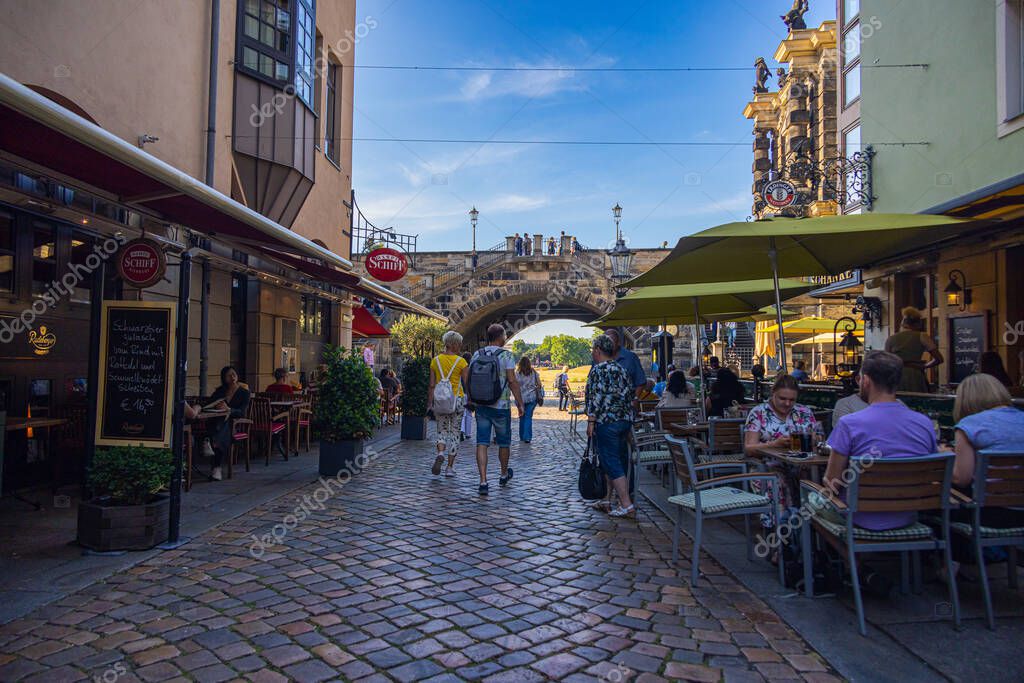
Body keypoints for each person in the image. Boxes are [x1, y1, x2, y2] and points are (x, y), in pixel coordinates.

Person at [822, 351, 937, 530]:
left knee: (810, 501)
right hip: (908, 516)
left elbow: (832, 484)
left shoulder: (849, 424)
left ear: (865, 380)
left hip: (857, 518)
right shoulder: (924, 424)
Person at [947, 373, 1024, 540]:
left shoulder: (969, 425)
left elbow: (961, 478)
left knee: (938, 505)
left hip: (992, 514)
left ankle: (947, 562)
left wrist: (943, 455)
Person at [744, 374, 820, 532]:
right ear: (773, 394)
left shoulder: (804, 412)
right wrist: (774, 444)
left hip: (802, 465)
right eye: (782, 398)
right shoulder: (759, 413)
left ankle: (813, 536)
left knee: (818, 484)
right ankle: (780, 539)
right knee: (777, 483)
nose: (787, 403)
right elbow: (749, 448)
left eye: (792, 400)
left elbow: (818, 439)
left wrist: (813, 439)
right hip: (767, 466)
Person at [464, 324, 524, 496]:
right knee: (504, 442)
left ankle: (483, 481)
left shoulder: (477, 354)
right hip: (501, 406)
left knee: (482, 442)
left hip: (481, 405)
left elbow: (469, 378)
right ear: (501, 337)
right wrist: (520, 403)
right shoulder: (506, 355)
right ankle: (503, 473)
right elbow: (512, 381)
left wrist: (471, 397)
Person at [586, 334, 636, 518]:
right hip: (624, 420)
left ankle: (626, 504)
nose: (592, 353)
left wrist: (591, 421)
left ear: (598, 351)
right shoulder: (620, 369)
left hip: (607, 421)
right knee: (613, 460)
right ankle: (607, 499)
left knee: (611, 461)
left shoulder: (598, 370)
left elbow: (596, 398)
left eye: (593, 350)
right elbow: (629, 395)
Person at [427, 331, 469, 478]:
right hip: (457, 400)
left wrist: (429, 403)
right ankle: (450, 468)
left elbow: (431, 385)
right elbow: (466, 382)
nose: (460, 346)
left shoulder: (435, 361)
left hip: (440, 400)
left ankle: (440, 453)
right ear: (454, 344)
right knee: (455, 433)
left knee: (441, 430)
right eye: (459, 343)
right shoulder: (462, 362)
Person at [206, 366, 251, 481]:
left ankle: (216, 463)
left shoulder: (244, 392)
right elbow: (209, 403)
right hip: (218, 421)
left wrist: (229, 409)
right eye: (229, 375)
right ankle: (216, 467)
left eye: (234, 374)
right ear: (224, 378)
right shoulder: (220, 391)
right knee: (218, 425)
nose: (232, 377)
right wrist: (216, 405)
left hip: (235, 423)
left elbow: (242, 412)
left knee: (221, 429)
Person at [885, 306, 943, 393]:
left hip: (896, 376)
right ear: (918, 323)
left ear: (903, 323)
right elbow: (939, 359)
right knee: (916, 402)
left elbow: (886, 362)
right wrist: (924, 366)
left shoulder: (891, 339)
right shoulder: (922, 336)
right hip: (915, 375)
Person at [603, 328, 647, 405]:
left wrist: (635, 398)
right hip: (604, 407)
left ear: (618, 342)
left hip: (626, 406)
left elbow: (641, 381)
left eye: (612, 342)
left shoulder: (631, 357)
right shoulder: (599, 358)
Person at [515, 356, 542, 443]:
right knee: (528, 417)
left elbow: (515, 385)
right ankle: (527, 437)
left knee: (522, 416)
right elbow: (539, 384)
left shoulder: (517, 373)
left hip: (520, 398)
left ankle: (522, 436)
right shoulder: (533, 372)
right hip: (531, 397)